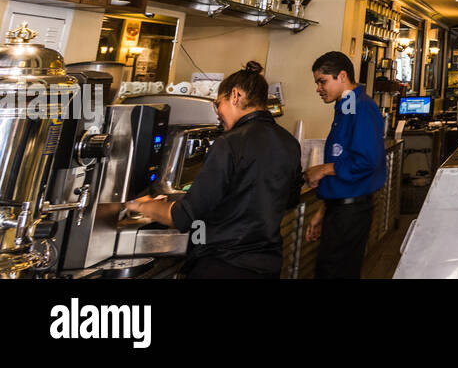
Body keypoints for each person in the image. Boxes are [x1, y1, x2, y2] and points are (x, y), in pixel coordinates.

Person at [126, 61, 301, 279]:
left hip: (223, 265)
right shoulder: (289, 143)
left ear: (235, 95)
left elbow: (184, 216)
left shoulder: (229, 143)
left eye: (219, 103)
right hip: (267, 265)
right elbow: (290, 199)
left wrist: (142, 205)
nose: (218, 113)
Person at [304, 51, 386, 279]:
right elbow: (343, 156)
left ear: (341, 76)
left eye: (322, 81)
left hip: (351, 212)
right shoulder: (346, 106)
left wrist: (322, 169)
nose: (318, 88)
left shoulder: (360, 107)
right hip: (339, 207)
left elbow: (365, 161)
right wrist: (324, 211)